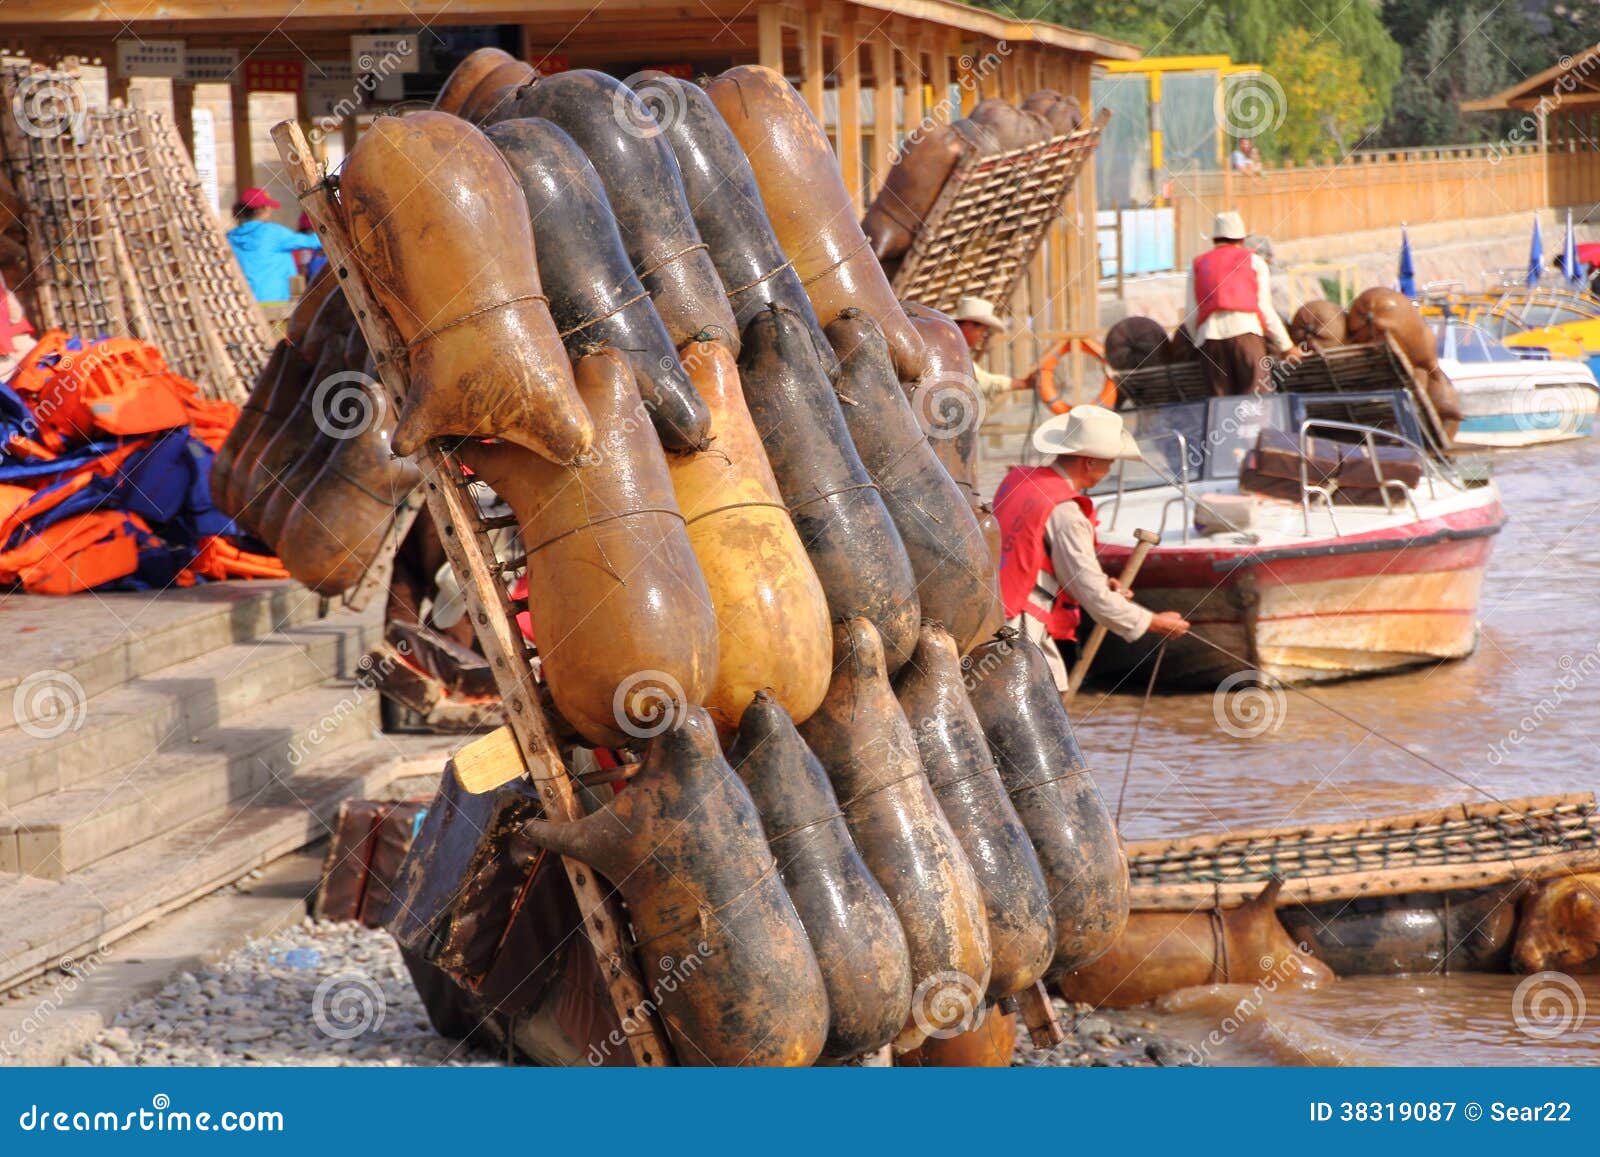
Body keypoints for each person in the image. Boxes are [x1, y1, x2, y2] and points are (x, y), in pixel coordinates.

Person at [992, 405, 1190, 696]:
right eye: (1109, 463)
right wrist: (1154, 622)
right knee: (1043, 705)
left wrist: (1100, 582)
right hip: (1017, 626)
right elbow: (1092, 594)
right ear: (1089, 463)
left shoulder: (1018, 480)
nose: (1109, 471)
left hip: (989, 613)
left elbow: (1032, 555)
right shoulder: (1067, 514)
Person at [1184, 211, 1295, 396]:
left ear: (1214, 239)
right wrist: (1286, 346)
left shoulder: (1197, 265)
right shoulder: (1254, 261)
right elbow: (1265, 309)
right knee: (1255, 402)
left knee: (1220, 404)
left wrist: (1199, 341)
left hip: (1210, 339)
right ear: (1242, 239)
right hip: (1247, 336)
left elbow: (1191, 314)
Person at [226, 188, 322, 303]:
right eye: (269, 207)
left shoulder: (229, 237)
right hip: (276, 304)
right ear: (263, 209)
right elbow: (314, 242)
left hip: (245, 304)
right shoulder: (272, 232)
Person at [951, 295, 1029, 408]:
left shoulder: (955, 348)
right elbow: (982, 382)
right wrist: (1023, 383)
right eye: (982, 331)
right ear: (968, 325)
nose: (982, 337)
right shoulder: (951, 351)